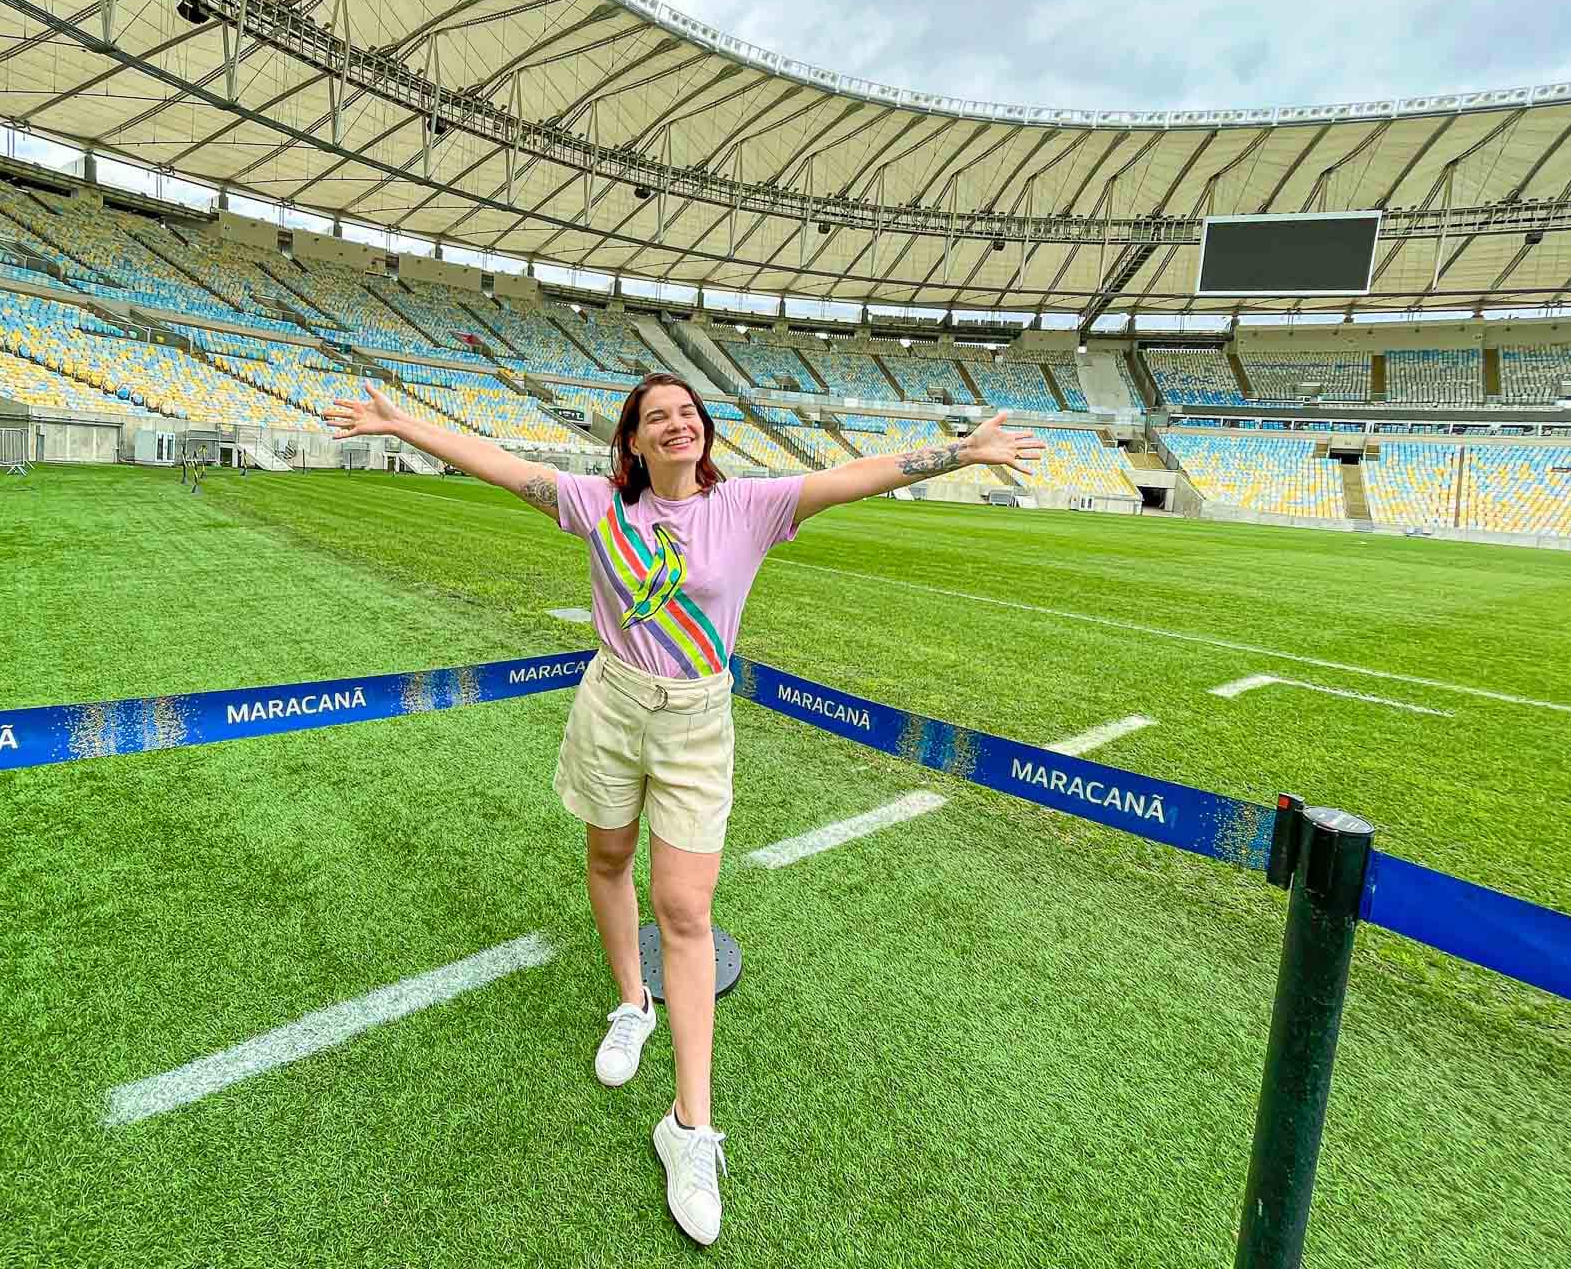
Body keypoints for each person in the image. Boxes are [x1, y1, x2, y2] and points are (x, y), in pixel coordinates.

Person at [324, 371, 1043, 1245]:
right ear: (631, 441)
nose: (677, 425)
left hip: (700, 719)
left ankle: (689, 1126)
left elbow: (863, 473)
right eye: (656, 416)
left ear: (704, 432)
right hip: (612, 704)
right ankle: (633, 1001)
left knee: (687, 912)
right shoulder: (597, 505)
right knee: (607, 861)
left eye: (688, 414)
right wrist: (407, 428)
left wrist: (957, 453)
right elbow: (500, 464)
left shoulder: (750, 506)